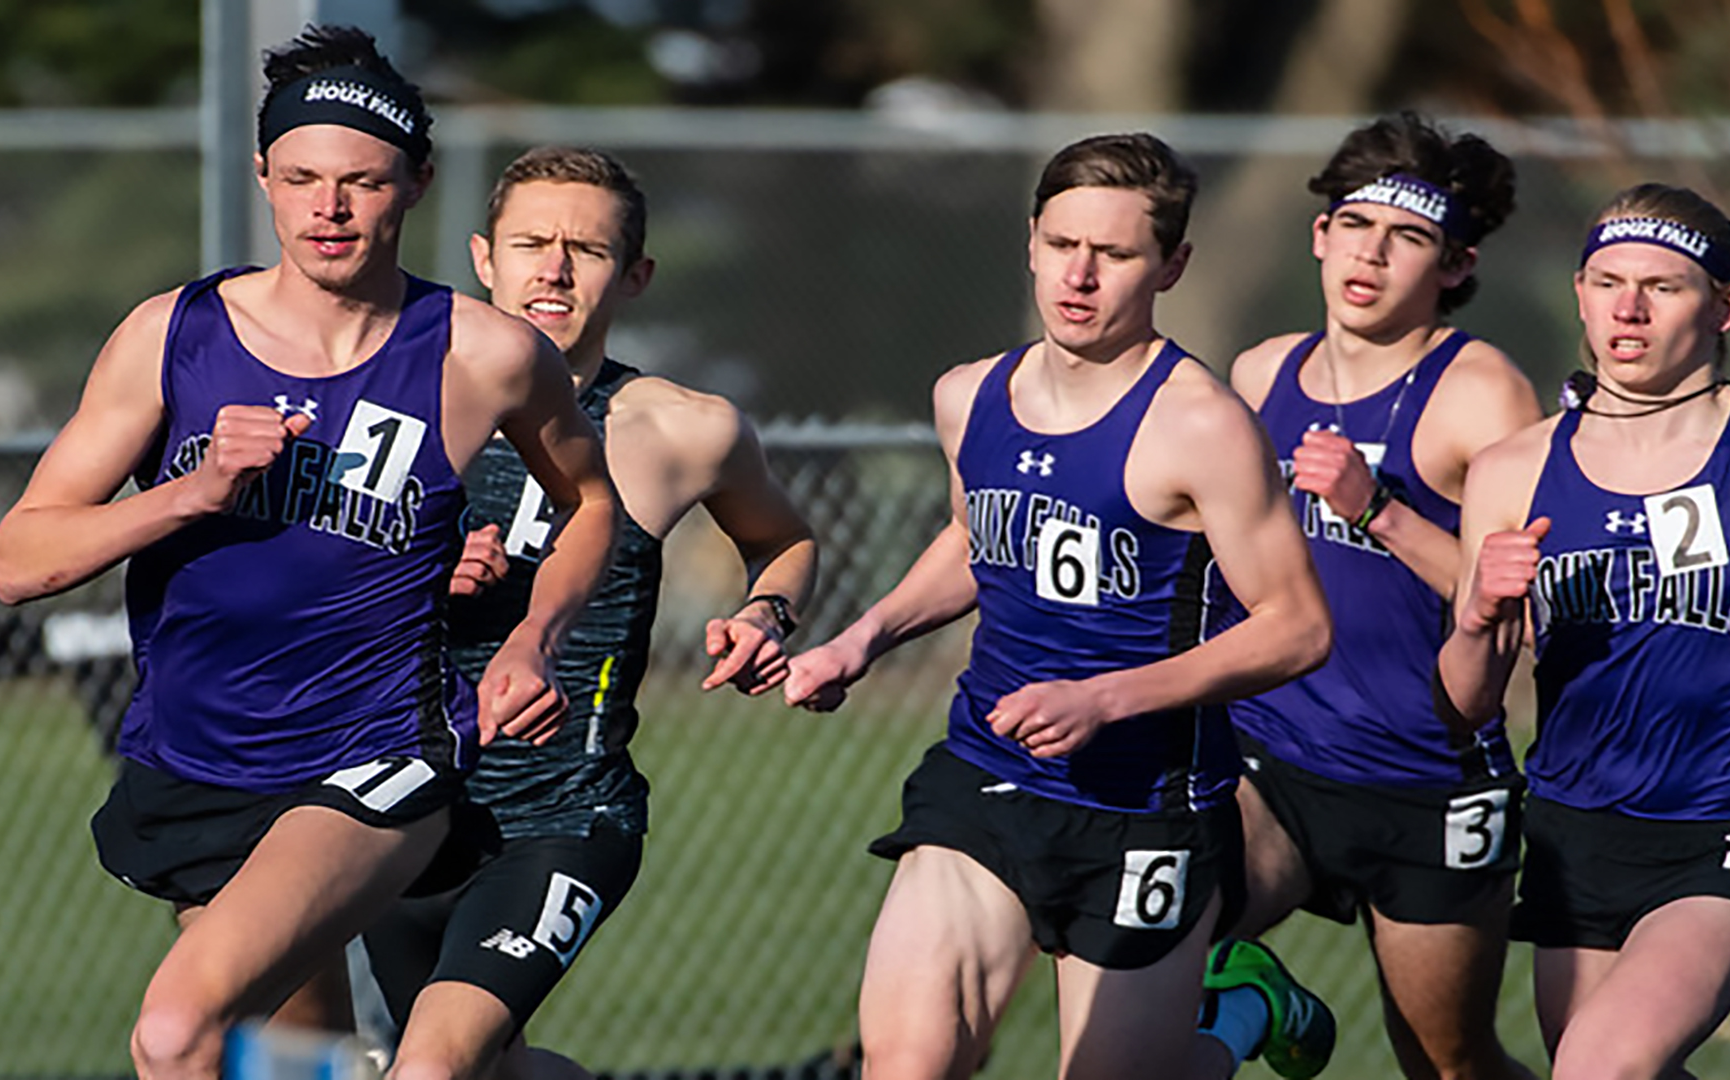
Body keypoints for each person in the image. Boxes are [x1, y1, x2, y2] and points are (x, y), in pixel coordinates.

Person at [0, 27, 616, 1080]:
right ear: (264, 180)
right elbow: (20, 559)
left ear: (414, 185)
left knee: (178, 1032)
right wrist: (191, 493)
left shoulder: (485, 354)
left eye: (361, 182)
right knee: (303, 1063)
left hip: (375, 755)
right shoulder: (171, 336)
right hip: (197, 758)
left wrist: (535, 640)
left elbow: (591, 501)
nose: (328, 210)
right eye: (303, 179)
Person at [784, 133, 1336, 1080]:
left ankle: (1245, 1007)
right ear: (1031, 242)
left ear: (1171, 264)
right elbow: (979, 542)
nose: (1079, 277)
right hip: (986, 778)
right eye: (1061, 244)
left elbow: (1298, 626)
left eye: (1115, 255)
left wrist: (1105, 698)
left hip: (1143, 808)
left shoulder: (1201, 425)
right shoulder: (969, 396)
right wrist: (863, 638)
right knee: (905, 1065)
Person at [358, 146, 818, 1080]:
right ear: (485, 258)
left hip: (564, 817)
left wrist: (766, 614)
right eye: (532, 243)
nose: (554, 269)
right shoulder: (396, 402)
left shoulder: (684, 426)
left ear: (635, 274)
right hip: (396, 808)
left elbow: (786, 542)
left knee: (431, 1070)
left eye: (587, 249)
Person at [1439, 183, 1730, 1078]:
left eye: (1664, 286)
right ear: (1579, 292)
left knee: (1596, 1069)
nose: (1630, 308)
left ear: (1728, 306)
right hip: (1577, 834)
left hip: (1725, 837)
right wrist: (1478, 614)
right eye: (1608, 281)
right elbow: (1464, 704)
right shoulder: (1511, 472)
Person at [1215, 113, 1540, 1080]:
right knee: (1141, 934)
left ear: (1452, 265)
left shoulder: (1481, 394)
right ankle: (1253, 1002)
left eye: (1407, 238)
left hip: (1426, 778)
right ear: (1320, 235)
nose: (1372, 254)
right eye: (1356, 225)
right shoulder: (1261, 371)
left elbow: (1512, 601)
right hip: (1268, 757)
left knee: (1446, 1061)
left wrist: (1380, 512)